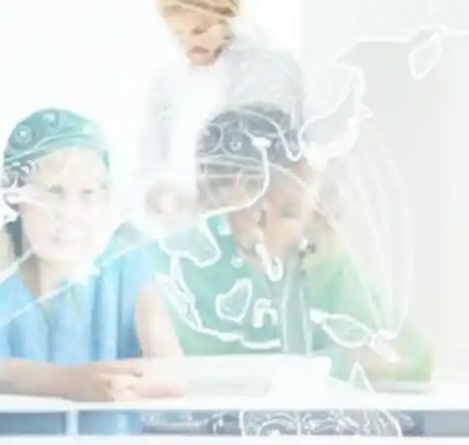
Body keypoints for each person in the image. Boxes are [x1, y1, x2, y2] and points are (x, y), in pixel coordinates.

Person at [159, 104, 432, 384]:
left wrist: (329, 365)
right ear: (215, 196)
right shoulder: (178, 263)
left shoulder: (319, 266)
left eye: (291, 212)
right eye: (254, 203)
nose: (270, 226)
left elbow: (414, 358)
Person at [0, 109, 185, 434]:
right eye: (52, 193)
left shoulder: (125, 260)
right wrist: (67, 382)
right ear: (15, 195)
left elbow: (172, 373)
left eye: (88, 195)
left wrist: (107, 384)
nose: (69, 213)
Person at [138, 0, 303, 233]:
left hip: (258, 224)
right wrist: (157, 194)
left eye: (199, 30)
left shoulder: (271, 72)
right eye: (178, 35)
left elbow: (289, 158)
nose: (189, 44)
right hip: (189, 230)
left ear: (225, 14)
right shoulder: (168, 82)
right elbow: (149, 162)